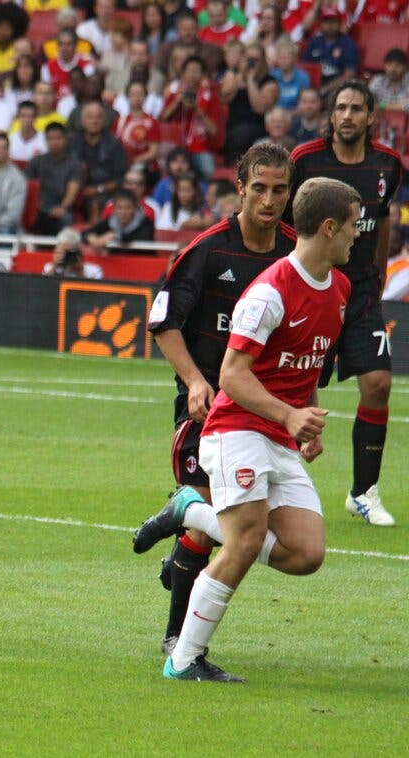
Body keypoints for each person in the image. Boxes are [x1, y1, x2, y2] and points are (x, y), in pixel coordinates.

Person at [135, 177, 360, 683]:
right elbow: (233, 376)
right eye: (351, 226)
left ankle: (190, 508)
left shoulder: (339, 288)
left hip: (280, 434)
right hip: (236, 427)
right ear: (328, 227)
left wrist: (309, 420)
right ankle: (184, 660)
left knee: (306, 554)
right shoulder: (270, 292)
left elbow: (306, 365)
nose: (356, 236)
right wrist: (288, 415)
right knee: (243, 542)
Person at [138, 142, 296, 658]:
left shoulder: (294, 256)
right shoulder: (209, 249)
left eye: (279, 190)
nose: (269, 200)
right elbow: (163, 321)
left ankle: (181, 525)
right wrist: (195, 381)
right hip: (207, 408)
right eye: (260, 189)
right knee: (216, 522)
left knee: (237, 532)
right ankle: (177, 639)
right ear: (240, 188)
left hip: (264, 412)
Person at [287, 81, 404, 526]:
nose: (348, 115)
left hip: (361, 295)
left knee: (378, 383)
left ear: (372, 116)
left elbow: (385, 214)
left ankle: (364, 492)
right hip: (312, 290)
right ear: (331, 116)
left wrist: (378, 273)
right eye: (341, 108)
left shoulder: (388, 165)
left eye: (357, 108)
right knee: (290, 385)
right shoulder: (305, 160)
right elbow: (288, 222)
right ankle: (277, 480)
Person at [82, 190, 155, 249]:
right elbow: (85, 233)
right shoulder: (111, 221)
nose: (123, 212)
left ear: (134, 209)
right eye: (119, 208)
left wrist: (114, 235)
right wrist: (93, 239)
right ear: (114, 209)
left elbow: (139, 237)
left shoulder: (146, 223)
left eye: (128, 208)